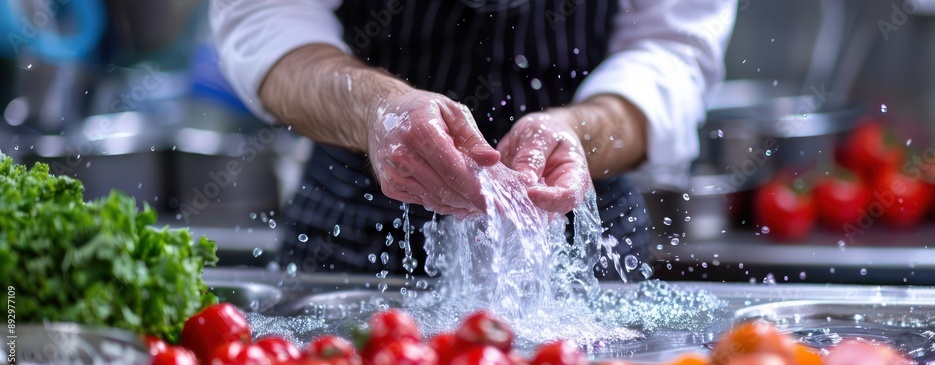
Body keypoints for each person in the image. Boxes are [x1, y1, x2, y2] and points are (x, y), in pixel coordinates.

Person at [210, 0, 735, 279]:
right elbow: (264, 17)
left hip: (585, 236)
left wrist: (580, 131)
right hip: (352, 224)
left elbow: (673, 51)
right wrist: (375, 110)